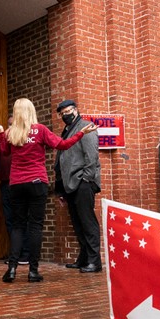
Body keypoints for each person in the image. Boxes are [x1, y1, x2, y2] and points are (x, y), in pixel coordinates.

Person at [0, 98, 96, 283]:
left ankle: (12, 269)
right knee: (35, 226)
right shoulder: (40, 130)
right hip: (37, 182)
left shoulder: (12, 132)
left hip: (16, 183)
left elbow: (4, 153)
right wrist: (80, 133)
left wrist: (0, 132)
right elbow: (63, 145)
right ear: (31, 111)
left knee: (18, 226)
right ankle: (33, 271)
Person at [54, 99, 103, 273]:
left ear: (75, 110)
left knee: (87, 222)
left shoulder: (86, 126)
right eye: (61, 113)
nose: (64, 115)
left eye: (67, 111)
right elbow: (61, 159)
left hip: (83, 183)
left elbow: (91, 156)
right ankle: (83, 258)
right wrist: (60, 189)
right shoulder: (67, 131)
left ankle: (94, 261)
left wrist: (86, 179)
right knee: (77, 223)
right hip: (70, 185)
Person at [0, 117, 24, 263]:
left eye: (13, 124)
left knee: (22, 219)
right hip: (6, 184)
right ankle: (16, 253)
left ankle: (24, 254)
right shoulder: (1, 141)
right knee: (10, 220)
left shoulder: (23, 139)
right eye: (9, 124)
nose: (10, 127)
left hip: (20, 183)